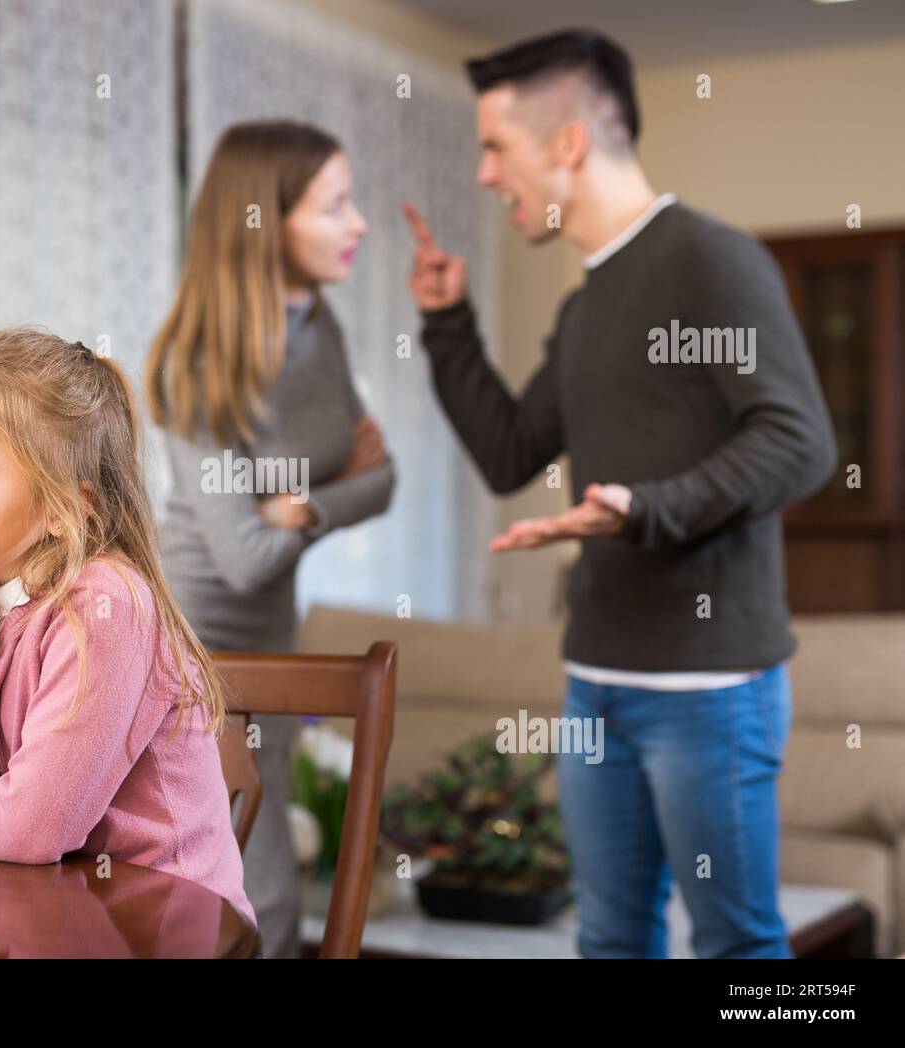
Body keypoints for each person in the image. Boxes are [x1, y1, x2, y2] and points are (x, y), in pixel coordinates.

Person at [403, 29, 836, 958]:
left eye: (495, 148)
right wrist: (447, 324)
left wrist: (646, 507)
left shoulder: (712, 260)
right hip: (596, 681)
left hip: (711, 689)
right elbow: (512, 450)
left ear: (567, 145)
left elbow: (799, 441)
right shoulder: (587, 303)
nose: (484, 175)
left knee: (737, 946)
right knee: (610, 940)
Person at [0, 328, 256, 929]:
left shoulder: (103, 604)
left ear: (64, 506)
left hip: (154, 932)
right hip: (33, 919)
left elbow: (34, 830)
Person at [146, 119, 396, 958]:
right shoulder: (197, 365)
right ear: (265, 219)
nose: (358, 224)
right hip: (193, 640)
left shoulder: (322, 332)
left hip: (270, 636)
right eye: (335, 207)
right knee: (200, 864)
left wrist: (291, 507)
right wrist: (315, 502)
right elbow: (243, 561)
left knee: (269, 855)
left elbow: (384, 479)